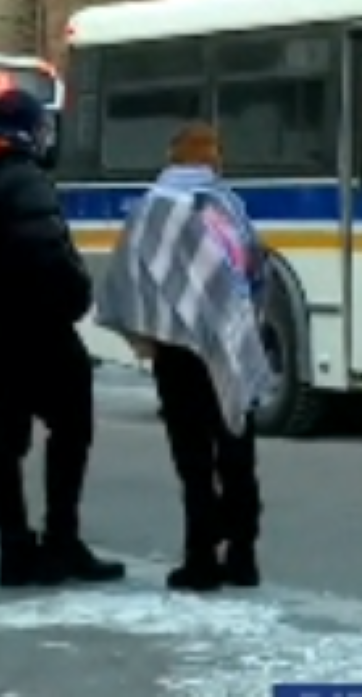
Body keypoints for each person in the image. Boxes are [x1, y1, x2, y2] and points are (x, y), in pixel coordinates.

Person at [0, 89, 123, 587]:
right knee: (72, 428)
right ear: (33, 128)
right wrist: (76, 299)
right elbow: (48, 252)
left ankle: (14, 548)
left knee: (4, 440)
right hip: (38, 326)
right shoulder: (23, 175)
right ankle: (61, 539)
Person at [95, 122, 270, 593]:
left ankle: (200, 560)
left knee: (192, 456)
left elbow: (127, 274)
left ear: (172, 158)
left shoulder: (152, 206)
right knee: (237, 450)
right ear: (213, 158)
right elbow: (256, 265)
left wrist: (143, 333)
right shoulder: (227, 204)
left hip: (177, 348)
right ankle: (243, 556)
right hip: (230, 343)